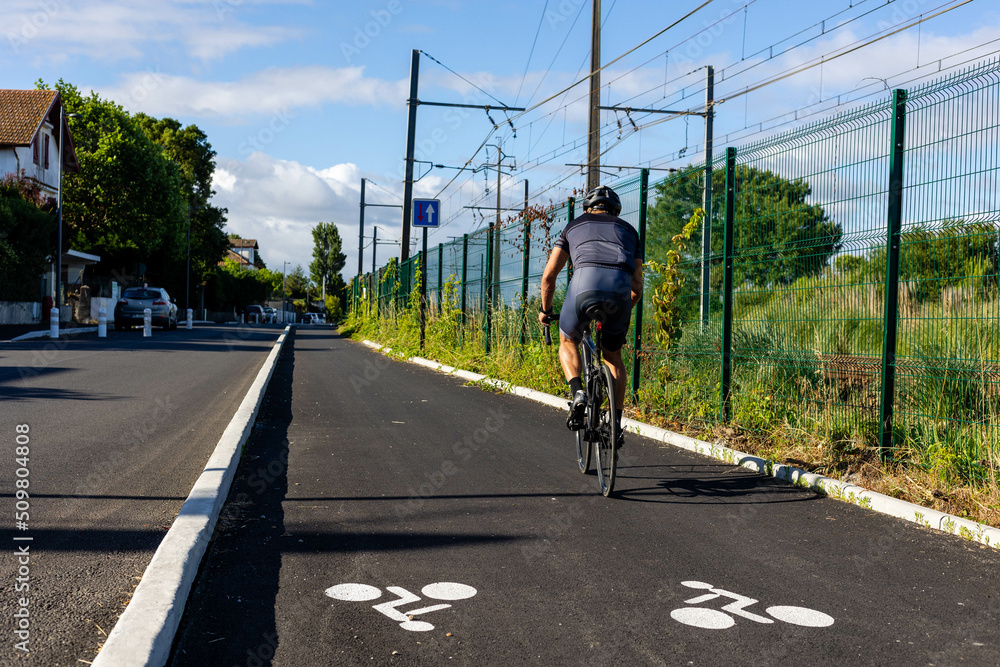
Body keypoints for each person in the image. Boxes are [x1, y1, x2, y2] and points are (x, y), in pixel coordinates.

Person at [537, 185, 643, 444]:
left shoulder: (573, 226)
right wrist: (623, 306)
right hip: (619, 291)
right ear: (616, 213)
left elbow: (549, 277)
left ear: (587, 209)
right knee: (613, 355)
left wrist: (546, 310)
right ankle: (616, 424)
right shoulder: (630, 231)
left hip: (583, 288)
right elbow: (637, 285)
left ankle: (578, 394)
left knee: (569, 339)